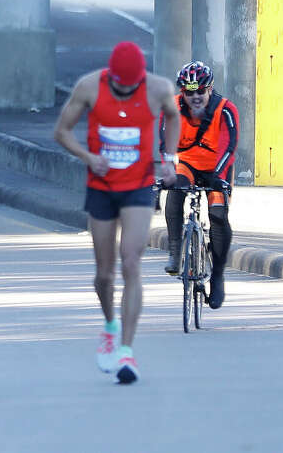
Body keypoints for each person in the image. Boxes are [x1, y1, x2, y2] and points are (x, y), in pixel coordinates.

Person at [52, 41, 180, 385]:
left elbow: (173, 115)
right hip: (102, 187)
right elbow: (61, 131)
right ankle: (110, 325)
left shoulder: (159, 88)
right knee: (104, 274)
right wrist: (88, 157)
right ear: (110, 77)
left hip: (138, 185)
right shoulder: (89, 86)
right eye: (119, 88)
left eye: (131, 88)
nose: (124, 93)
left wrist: (170, 159)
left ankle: (126, 351)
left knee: (132, 261)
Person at [163, 61, 237, 310]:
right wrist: (165, 171)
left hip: (218, 166)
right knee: (174, 191)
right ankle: (175, 252)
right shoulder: (172, 107)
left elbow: (229, 147)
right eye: (189, 92)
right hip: (187, 164)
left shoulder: (225, 110)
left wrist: (219, 178)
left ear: (210, 89)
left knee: (218, 214)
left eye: (200, 91)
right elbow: (164, 143)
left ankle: (218, 276)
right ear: (182, 92)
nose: (195, 97)